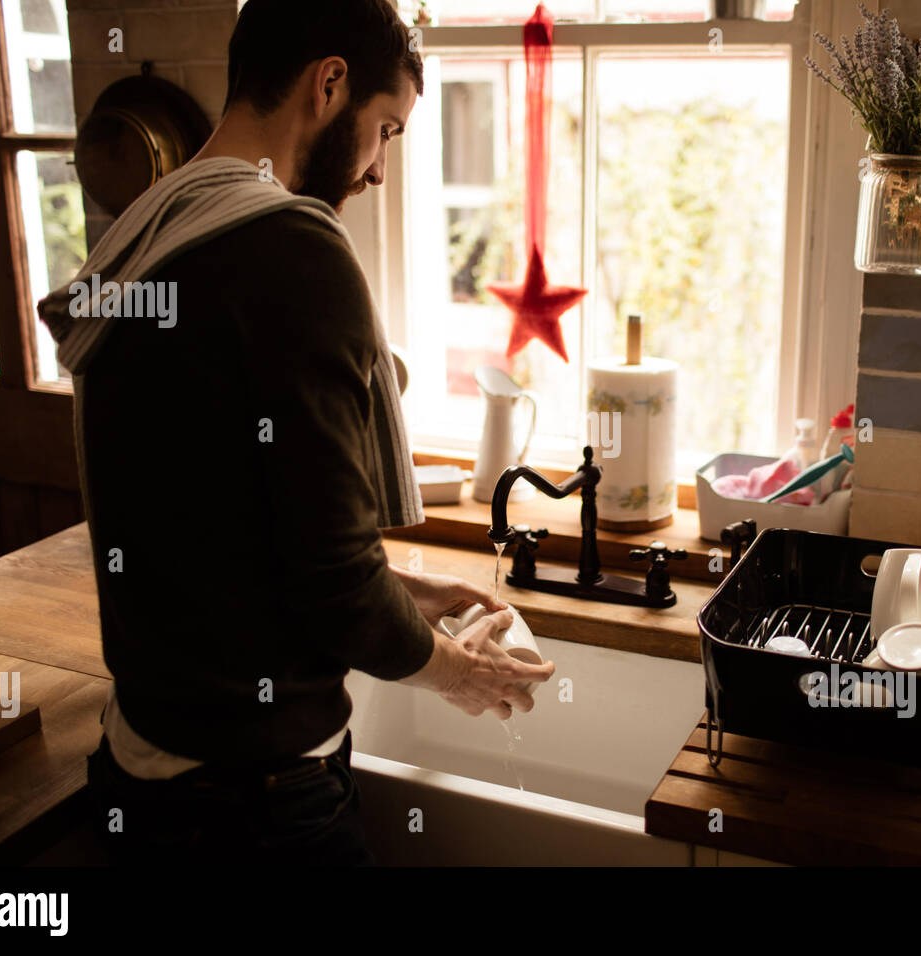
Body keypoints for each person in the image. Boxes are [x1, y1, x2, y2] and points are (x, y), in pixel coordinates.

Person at [38, 0, 554, 866]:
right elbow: (334, 587)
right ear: (328, 84)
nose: (380, 170)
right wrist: (455, 672)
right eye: (385, 129)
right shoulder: (294, 252)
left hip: (143, 771)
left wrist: (409, 594)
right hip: (256, 808)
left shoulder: (152, 230)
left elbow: (233, 524)